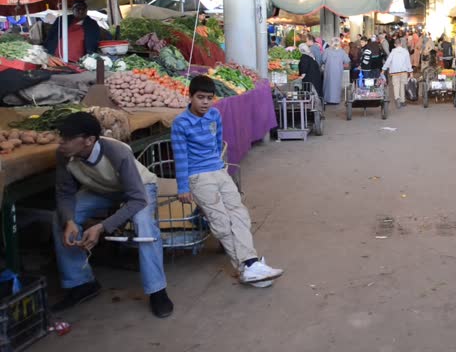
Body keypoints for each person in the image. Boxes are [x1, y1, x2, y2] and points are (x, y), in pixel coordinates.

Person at [52, 112, 173, 317]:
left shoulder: (117, 152)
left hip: (139, 189)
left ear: (89, 140)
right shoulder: (63, 155)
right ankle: (80, 283)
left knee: (143, 223)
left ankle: (157, 290)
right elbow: (65, 193)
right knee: (60, 218)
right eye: (60, 137)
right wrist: (70, 220)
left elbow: (137, 199)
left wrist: (101, 227)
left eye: (67, 138)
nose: (61, 143)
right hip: (103, 190)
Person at [172, 76, 283, 288]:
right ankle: (246, 266)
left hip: (218, 171)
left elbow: (217, 144)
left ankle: (250, 263)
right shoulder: (180, 123)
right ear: (191, 97)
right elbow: (180, 156)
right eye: (200, 97)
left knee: (239, 214)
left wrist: (223, 170)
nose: (205, 102)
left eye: (209, 98)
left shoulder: (214, 114)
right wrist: (183, 187)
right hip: (198, 176)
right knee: (220, 221)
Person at [382, 38, 414, 108]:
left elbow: (388, 62)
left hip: (395, 72)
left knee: (396, 85)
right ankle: (403, 101)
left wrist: (383, 70)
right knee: (402, 86)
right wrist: (411, 72)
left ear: (394, 45)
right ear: (401, 44)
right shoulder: (405, 51)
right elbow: (408, 63)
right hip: (404, 72)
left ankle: (397, 98)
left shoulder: (393, 52)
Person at [322, 38, 351, 105]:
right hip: (338, 71)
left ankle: (327, 99)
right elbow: (347, 60)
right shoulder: (341, 51)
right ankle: (336, 100)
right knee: (337, 85)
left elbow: (323, 59)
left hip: (328, 70)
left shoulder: (327, 50)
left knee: (328, 85)